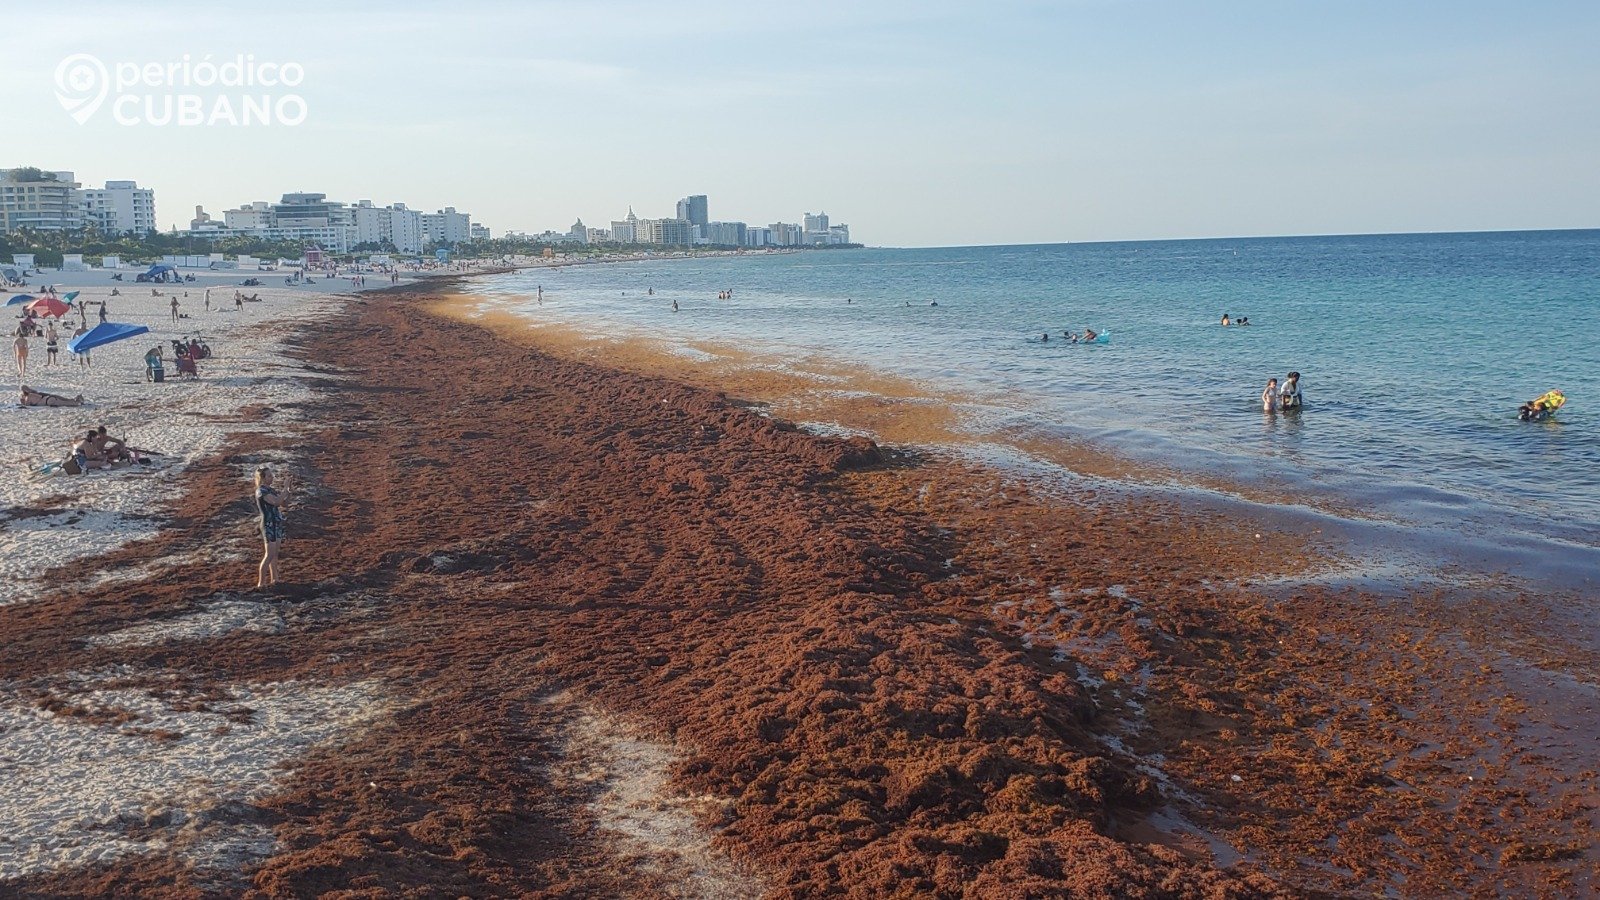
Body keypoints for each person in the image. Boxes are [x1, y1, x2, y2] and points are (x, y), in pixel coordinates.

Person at [255, 466, 286, 589]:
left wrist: (288, 491)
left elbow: (284, 503)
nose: (272, 477)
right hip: (268, 524)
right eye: (269, 476)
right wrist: (285, 489)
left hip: (276, 524)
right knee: (269, 555)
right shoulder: (261, 491)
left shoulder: (271, 490)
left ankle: (275, 579)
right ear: (262, 478)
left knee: (275, 554)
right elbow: (276, 502)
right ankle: (261, 583)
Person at [19, 385, 83, 407]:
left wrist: (22, 402)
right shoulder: (34, 393)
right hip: (49, 398)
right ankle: (78, 398)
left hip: (49, 401)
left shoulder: (28, 398)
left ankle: (79, 401)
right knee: (67, 401)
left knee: (69, 403)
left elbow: (26, 406)